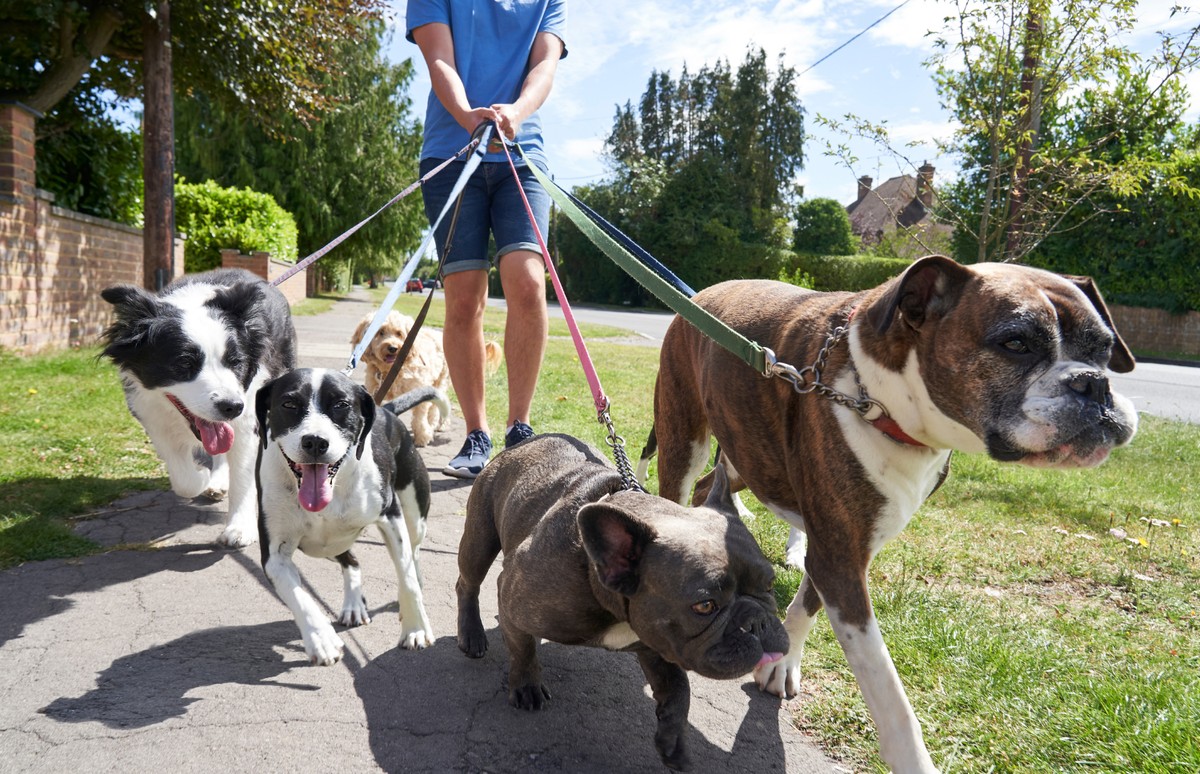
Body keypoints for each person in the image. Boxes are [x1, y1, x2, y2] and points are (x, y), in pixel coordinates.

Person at [406, 0, 567, 479]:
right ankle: (476, 433)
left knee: (528, 282)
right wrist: (466, 115)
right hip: (451, 153)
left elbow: (544, 65)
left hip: (521, 153)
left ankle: (520, 429)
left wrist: (517, 111)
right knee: (464, 298)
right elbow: (439, 59)